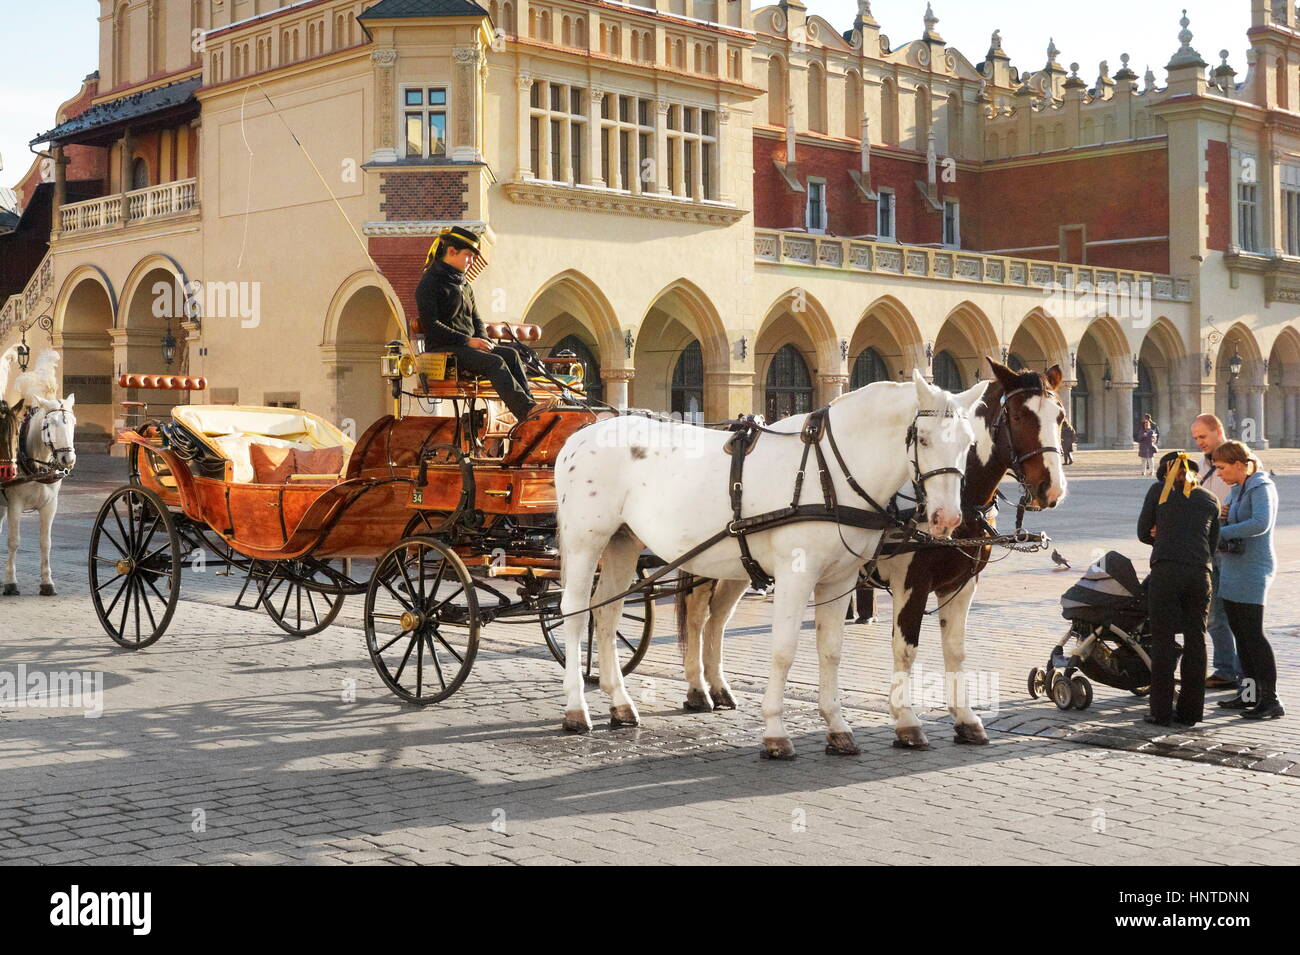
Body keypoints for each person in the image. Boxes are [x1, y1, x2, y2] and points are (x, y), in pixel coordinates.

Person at [415, 226, 538, 421]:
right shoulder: (429, 283)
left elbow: (476, 319)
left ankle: (532, 409)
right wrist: (467, 341)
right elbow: (432, 325)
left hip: (467, 349)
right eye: (468, 256)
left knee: (511, 354)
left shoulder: (464, 284)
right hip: (444, 352)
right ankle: (525, 412)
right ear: (451, 252)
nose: (471, 262)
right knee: (495, 362)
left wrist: (483, 340)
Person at [1136, 451, 1220, 727]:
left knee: (1163, 641)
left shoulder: (1158, 491)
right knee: (1197, 640)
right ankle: (1191, 713)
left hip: (1167, 571)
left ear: (1165, 473)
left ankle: (1160, 712)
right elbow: (1212, 543)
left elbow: (1141, 531)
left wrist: (1163, 537)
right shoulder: (1209, 499)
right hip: (1200, 575)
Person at [1212, 441, 1283, 720]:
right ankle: (1250, 694)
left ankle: (1271, 700)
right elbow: (1227, 520)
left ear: (1239, 465)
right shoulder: (1235, 490)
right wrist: (1222, 519)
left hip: (1253, 569)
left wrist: (1222, 533)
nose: (1218, 473)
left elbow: (1260, 523)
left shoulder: (1261, 487)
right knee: (1241, 635)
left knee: (1254, 636)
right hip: (1232, 567)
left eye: (1221, 467)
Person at [1191, 413, 1242, 690]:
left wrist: (1230, 512)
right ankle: (1225, 669)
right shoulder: (1200, 465)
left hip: (1232, 549)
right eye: (1196, 438)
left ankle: (1242, 672)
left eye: (1203, 436)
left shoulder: (1239, 460)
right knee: (1213, 613)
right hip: (1209, 546)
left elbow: (1253, 503)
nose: (1199, 442)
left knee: (1235, 613)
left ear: (1218, 431)